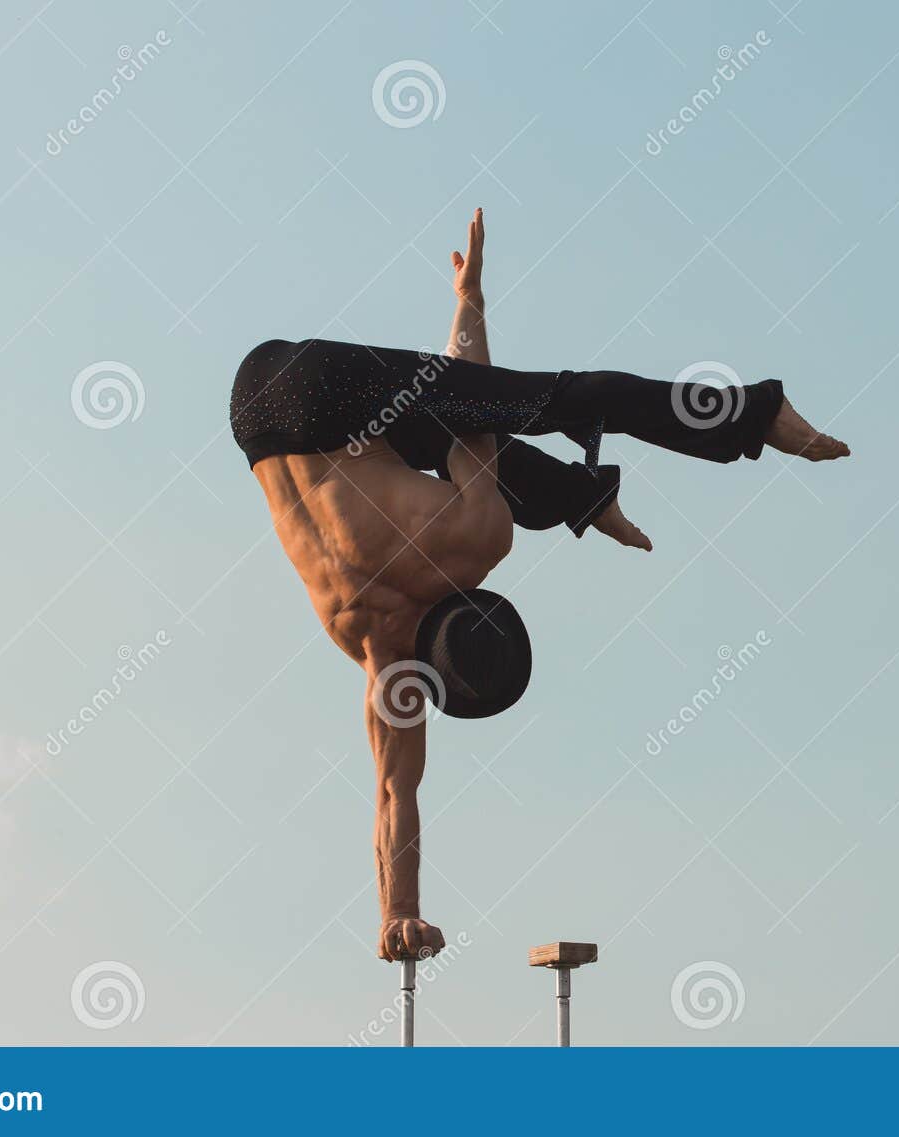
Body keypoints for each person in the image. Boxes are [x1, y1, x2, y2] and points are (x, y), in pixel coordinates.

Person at [230, 210, 849, 961]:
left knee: (567, 398)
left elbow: (480, 398)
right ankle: (590, 498)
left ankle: (752, 415)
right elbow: (396, 794)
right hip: (257, 406)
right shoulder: (381, 656)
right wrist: (399, 912)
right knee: (448, 433)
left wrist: (471, 303)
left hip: (329, 391)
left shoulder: (471, 545)